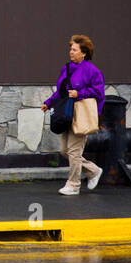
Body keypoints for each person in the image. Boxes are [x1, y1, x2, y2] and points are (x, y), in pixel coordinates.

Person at [41, 34, 105, 195]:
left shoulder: (92, 71)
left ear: (84, 53)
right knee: (64, 150)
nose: (71, 52)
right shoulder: (67, 68)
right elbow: (61, 92)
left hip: (81, 114)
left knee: (74, 152)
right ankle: (93, 171)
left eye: (75, 49)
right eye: (71, 49)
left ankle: (74, 185)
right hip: (66, 113)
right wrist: (48, 103)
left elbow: (98, 92)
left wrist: (80, 93)